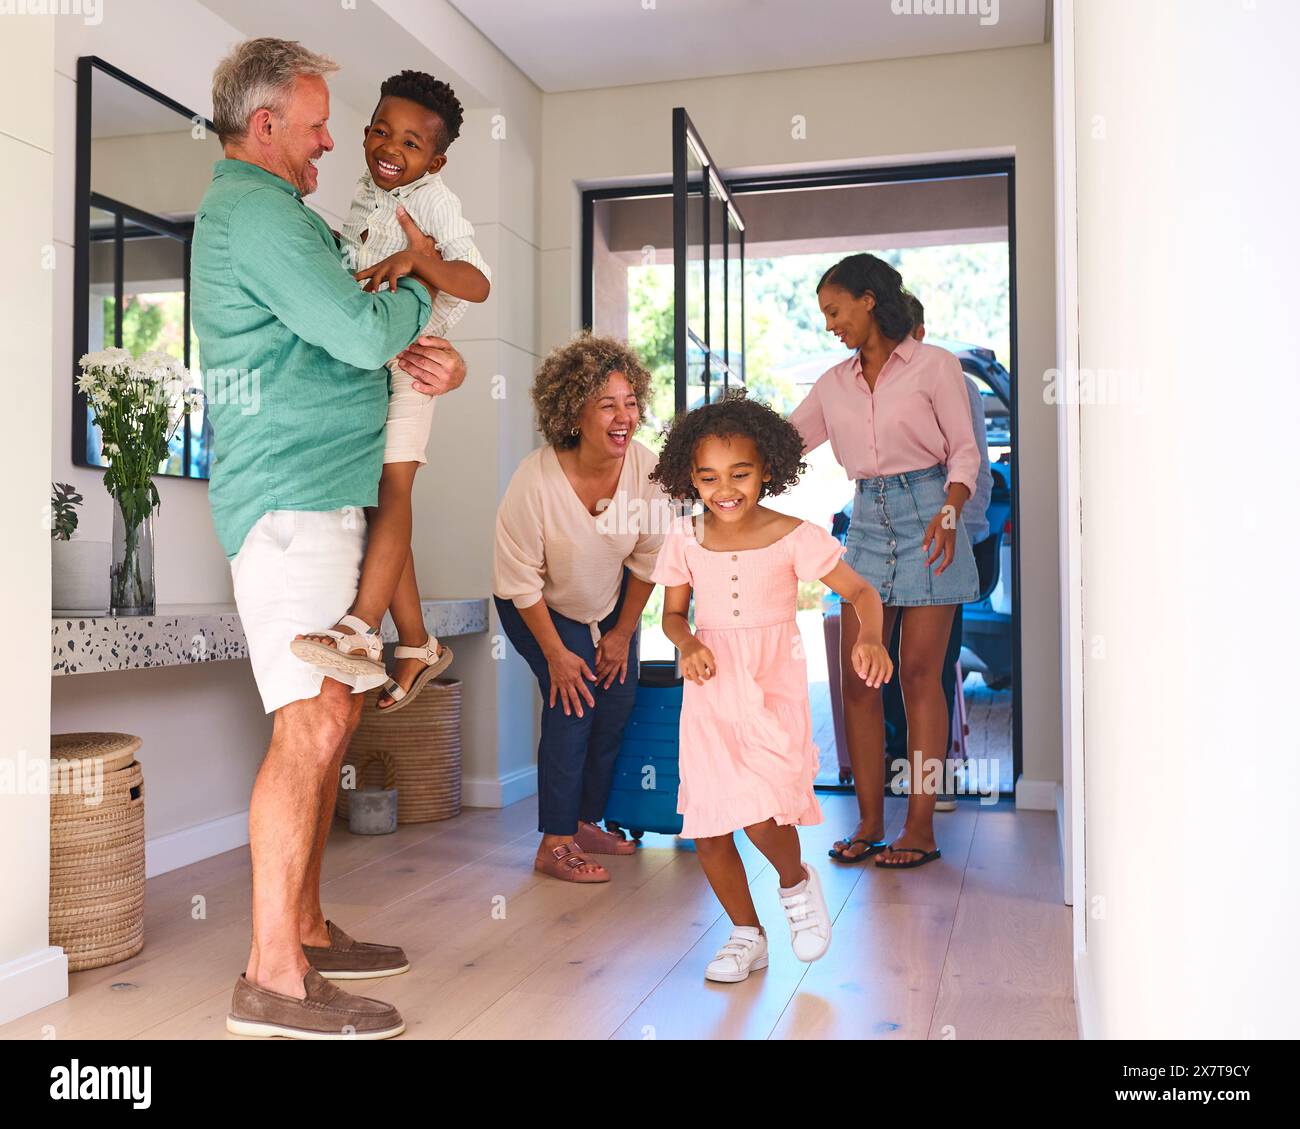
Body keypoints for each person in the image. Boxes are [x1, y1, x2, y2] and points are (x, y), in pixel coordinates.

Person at [193, 37, 467, 1039]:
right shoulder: (254, 213)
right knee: (309, 726)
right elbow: (360, 334)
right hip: (292, 501)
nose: (327, 148)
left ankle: (302, 925)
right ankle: (271, 977)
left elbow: (355, 336)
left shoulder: (286, 217)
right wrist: (412, 304)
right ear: (264, 126)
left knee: (334, 721)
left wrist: (423, 353)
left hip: (326, 494)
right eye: (313, 129)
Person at [648, 393, 892, 982]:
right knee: (707, 825)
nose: (724, 488)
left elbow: (862, 593)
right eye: (707, 477)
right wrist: (689, 645)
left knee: (760, 813)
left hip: (770, 681)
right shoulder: (684, 537)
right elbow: (673, 615)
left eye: (740, 473)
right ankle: (745, 935)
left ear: (768, 470)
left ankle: (795, 883)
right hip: (710, 688)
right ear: (690, 476)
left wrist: (871, 638)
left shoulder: (794, 535)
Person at [291, 70, 490, 712]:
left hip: (414, 361)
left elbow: (477, 282)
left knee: (393, 490)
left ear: (435, 160)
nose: (389, 148)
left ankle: (359, 627)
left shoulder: (433, 201)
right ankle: (416, 641)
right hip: (377, 356)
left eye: (409, 143)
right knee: (377, 498)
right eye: (380, 130)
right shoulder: (364, 192)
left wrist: (415, 261)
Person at [790, 253, 979, 870]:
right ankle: (870, 822)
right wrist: (717, 454)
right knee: (860, 681)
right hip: (867, 520)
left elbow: (964, 452)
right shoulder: (833, 384)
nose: (830, 324)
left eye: (835, 310)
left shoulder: (935, 367)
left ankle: (919, 826)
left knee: (921, 676)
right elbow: (785, 444)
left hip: (931, 517)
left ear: (869, 300)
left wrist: (950, 511)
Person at [493, 333, 671, 883]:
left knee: (615, 705)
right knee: (572, 704)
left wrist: (621, 633)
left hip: (611, 605)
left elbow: (647, 559)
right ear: (574, 411)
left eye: (630, 402)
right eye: (607, 405)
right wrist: (556, 655)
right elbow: (518, 579)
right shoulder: (536, 479)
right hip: (537, 609)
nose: (624, 417)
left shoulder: (647, 470)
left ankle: (585, 820)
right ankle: (555, 842)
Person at [878, 292, 994, 810]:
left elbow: (969, 464)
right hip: (897, 543)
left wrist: (958, 533)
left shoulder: (949, 380)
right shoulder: (874, 384)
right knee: (892, 667)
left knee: (929, 667)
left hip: (947, 539)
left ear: (920, 332)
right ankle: (900, 770)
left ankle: (931, 778)